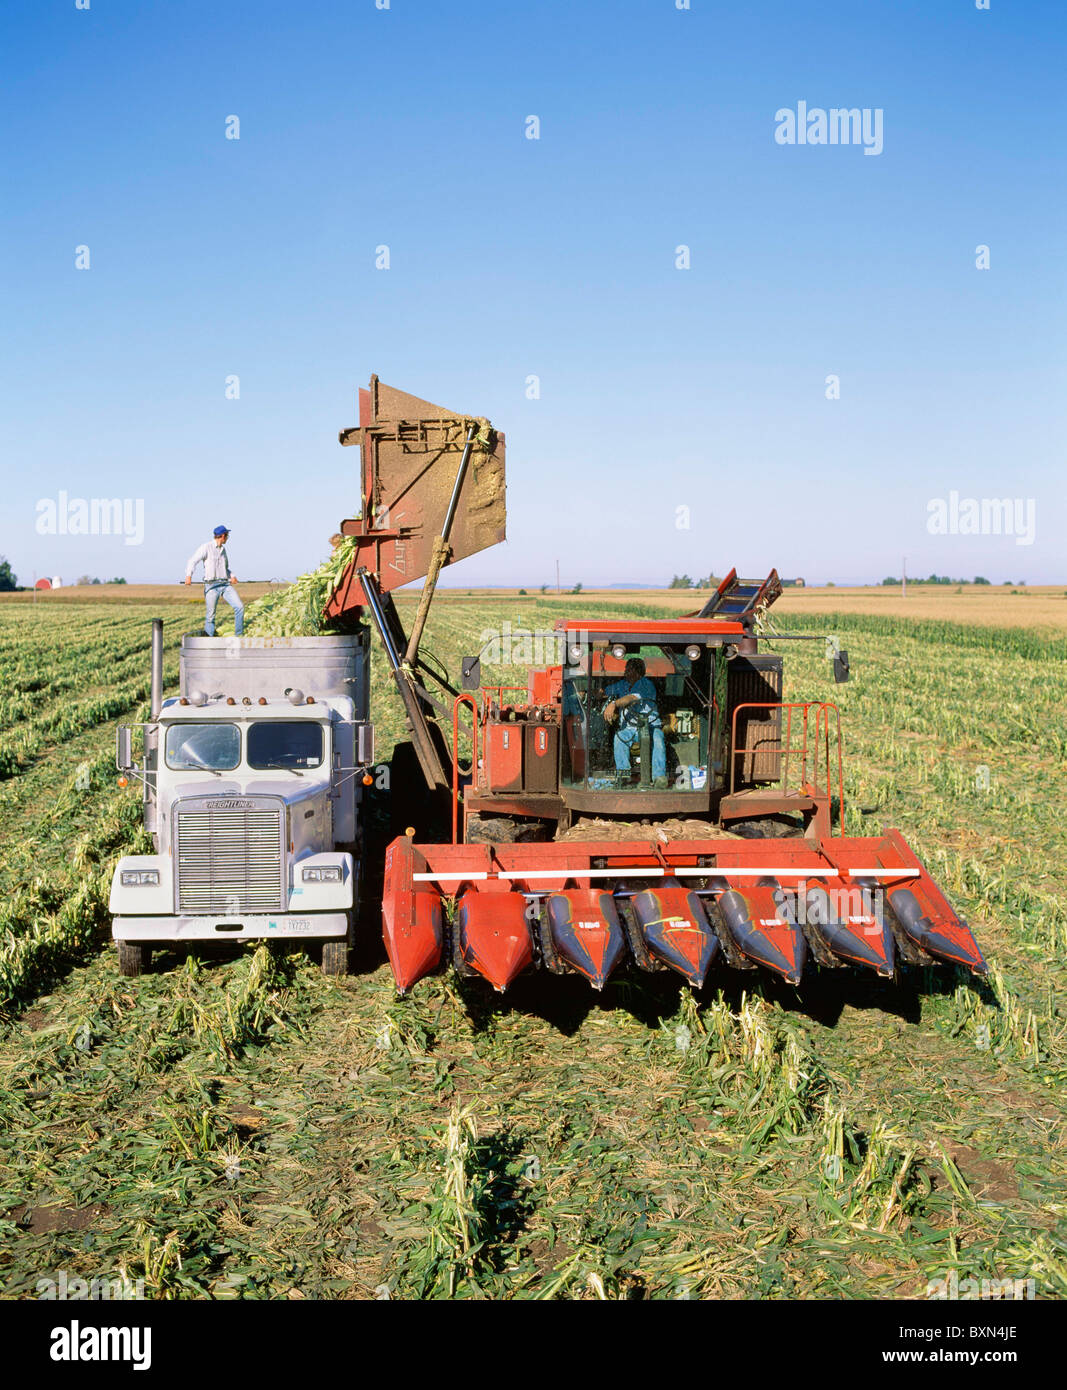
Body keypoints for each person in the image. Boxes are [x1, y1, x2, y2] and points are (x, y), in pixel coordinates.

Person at [603, 656, 667, 786]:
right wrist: (592, 692)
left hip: (650, 726)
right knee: (619, 737)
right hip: (630, 728)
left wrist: (614, 704)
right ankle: (624, 775)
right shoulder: (623, 684)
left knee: (658, 740)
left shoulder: (645, 684)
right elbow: (605, 692)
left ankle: (659, 777)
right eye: (626, 669)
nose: (626, 672)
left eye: (629, 670)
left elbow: (632, 698)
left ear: (638, 672)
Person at [184, 525, 244, 636]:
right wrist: (188, 576)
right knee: (210, 616)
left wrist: (232, 576)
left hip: (225, 584)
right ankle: (209, 640)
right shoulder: (206, 547)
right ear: (222, 536)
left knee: (239, 607)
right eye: (227, 535)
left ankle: (239, 636)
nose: (228, 537)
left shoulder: (223, 550)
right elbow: (192, 561)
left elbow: (225, 568)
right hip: (211, 586)